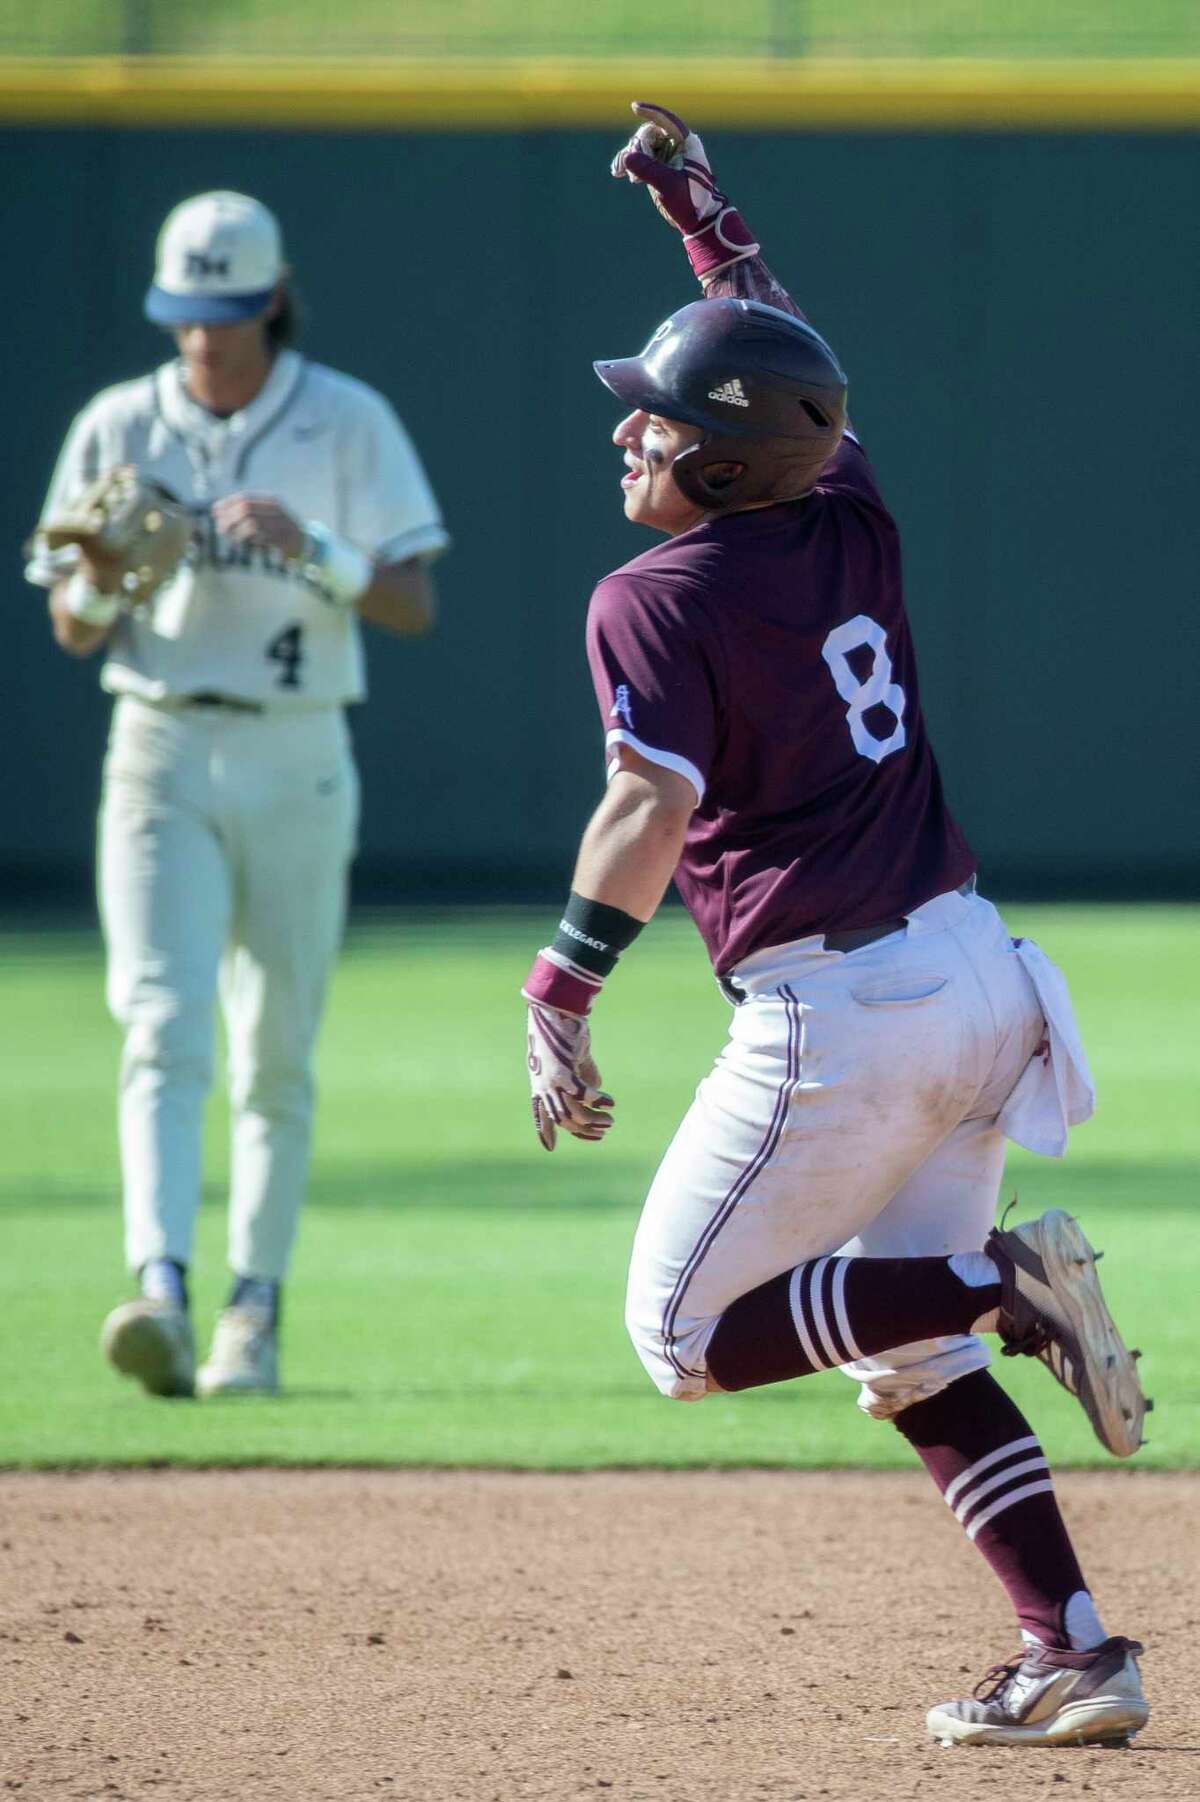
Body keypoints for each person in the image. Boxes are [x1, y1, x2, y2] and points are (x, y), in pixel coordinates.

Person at [521, 104, 1150, 1748]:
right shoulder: (846, 509)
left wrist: (563, 980)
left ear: (716, 460)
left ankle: (1003, 1277)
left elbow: (647, 810)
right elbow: (792, 360)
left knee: (682, 1340)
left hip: (841, 1013)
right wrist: (701, 217)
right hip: (976, 973)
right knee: (903, 1342)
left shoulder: (652, 597)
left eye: (648, 423)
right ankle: (1076, 1650)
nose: (625, 440)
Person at [27, 190, 449, 1399]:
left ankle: (252, 1312)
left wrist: (315, 547)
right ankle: (157, 1285)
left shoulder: (343, 419)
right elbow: (71, 622)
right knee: (161, 1022)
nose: (202, 340)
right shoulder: (119, 423)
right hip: (155, 742)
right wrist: (106, 581)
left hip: (298, 746)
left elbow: (414, 599)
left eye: (223, 313)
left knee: (274, 1046)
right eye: (184, 316)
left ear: (271, 298)